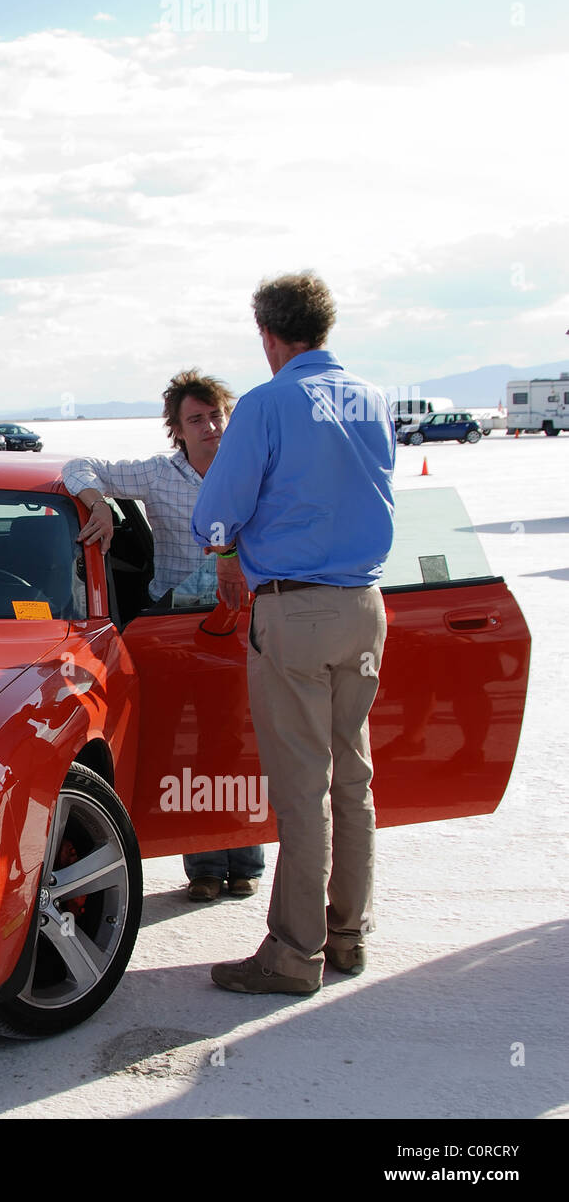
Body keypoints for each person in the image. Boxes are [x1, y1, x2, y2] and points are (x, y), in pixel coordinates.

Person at [191, 271, 395, 995]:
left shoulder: (267, 403)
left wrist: (222, 553)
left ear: (270, 337)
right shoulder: (372, 398)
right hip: (364, 606)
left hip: (295, 610)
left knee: (304, 787)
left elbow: (216, 514)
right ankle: (347, 935)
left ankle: (293, 953)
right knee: (355, 777)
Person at [62, 369, 264, 900]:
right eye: (196, 419)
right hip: (176, 629)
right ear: (177, 428)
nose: (211, 426)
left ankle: (243, 858)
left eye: (216, 414)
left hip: (241, 622)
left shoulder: (251, 467)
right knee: (185, 746)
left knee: (236, 741)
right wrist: (98, 501)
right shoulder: (157, 474)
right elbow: (78, 465)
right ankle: (201, 865)